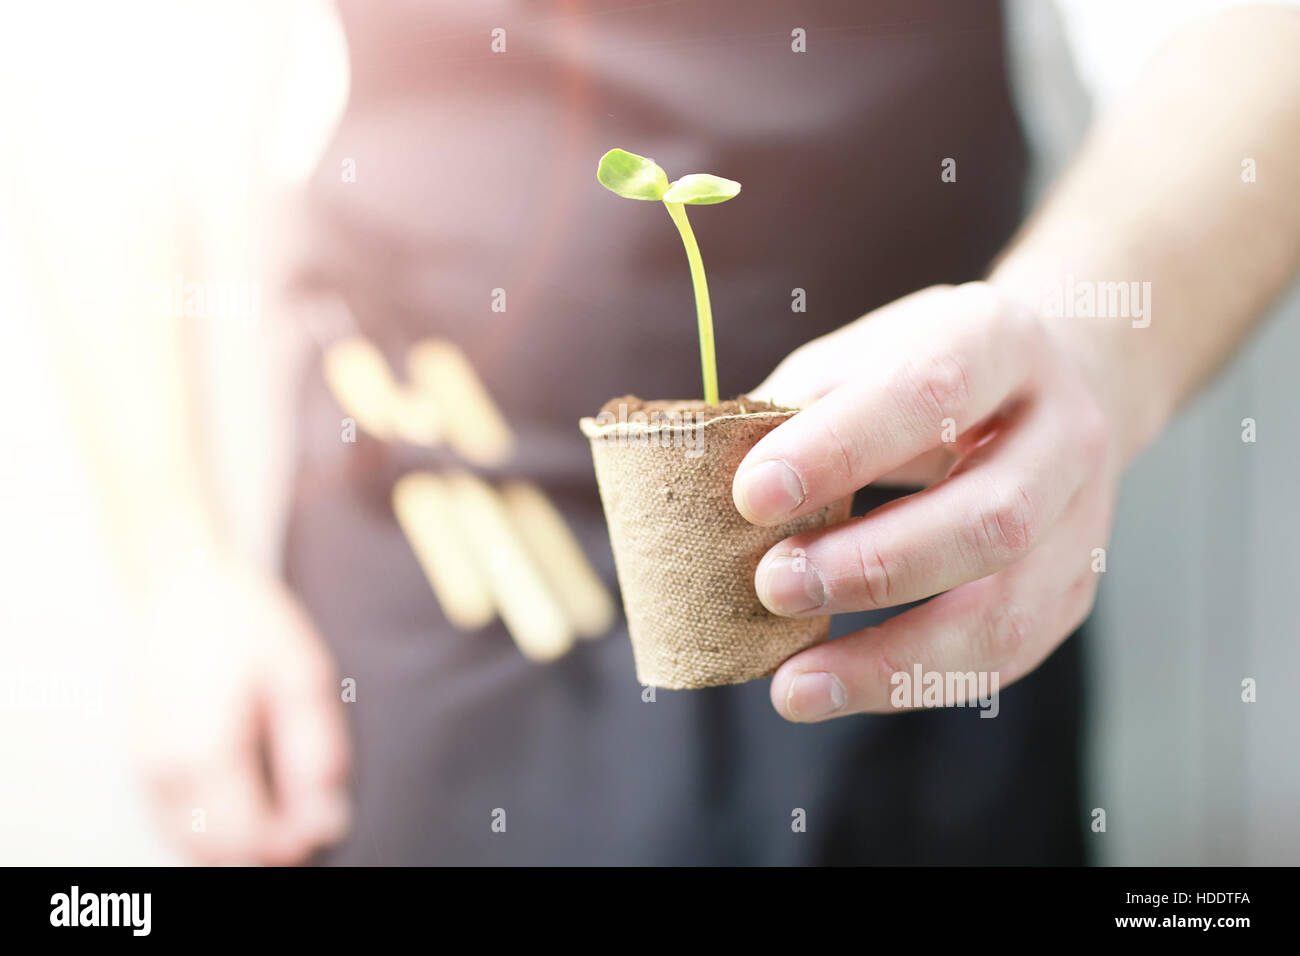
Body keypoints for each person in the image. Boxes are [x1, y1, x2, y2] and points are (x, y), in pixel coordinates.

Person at [64, 1, 1300, 864]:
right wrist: (172, 563)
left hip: (899, 549)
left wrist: (1081, 342)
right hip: (427, 548)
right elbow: (115, 66)